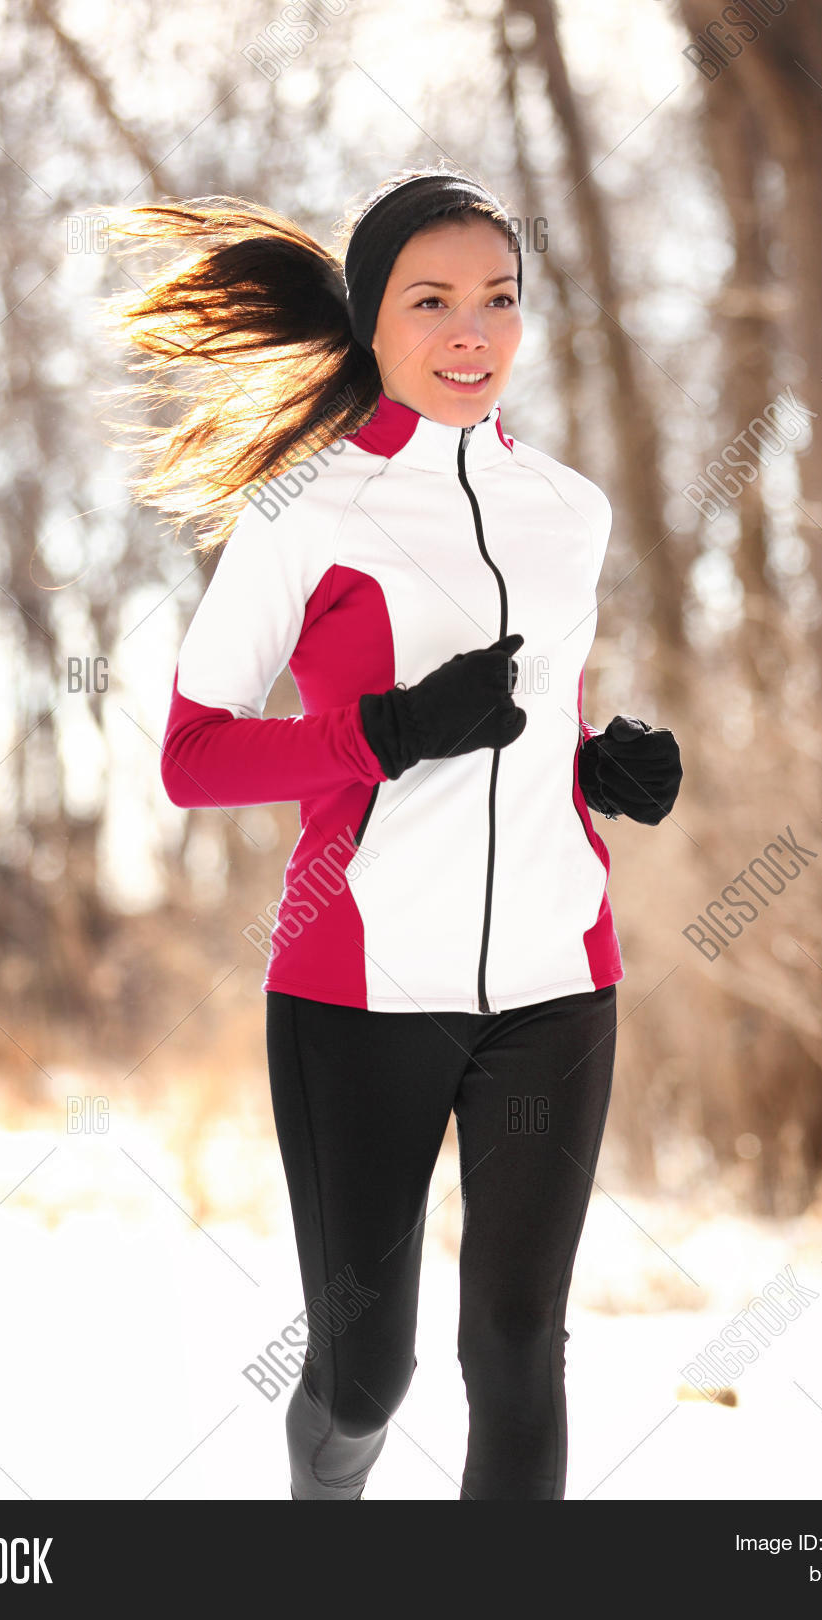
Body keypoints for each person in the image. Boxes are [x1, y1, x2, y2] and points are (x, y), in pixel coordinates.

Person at [101, 165, 682, 1500]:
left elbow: (536, 727)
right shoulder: (304, 512)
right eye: (431, 301)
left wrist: (602, 766)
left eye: (498, 298)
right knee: (370, 1373)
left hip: (555, 980)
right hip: (358, 990)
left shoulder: (567, 511)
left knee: (519, 1350)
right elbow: (191, 758)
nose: (471, 329)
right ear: (370, 324)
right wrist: (386, 732)